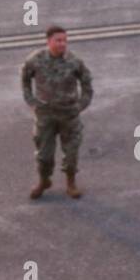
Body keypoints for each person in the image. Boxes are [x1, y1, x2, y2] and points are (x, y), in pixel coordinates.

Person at [21, 25, 93, 200]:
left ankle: (71, 183)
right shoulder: (35, 60)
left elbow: (87, 85)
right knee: (44, 155)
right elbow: (25, 81)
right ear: (49, 41)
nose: (62, 44)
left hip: (69, 114)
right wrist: (31, 102)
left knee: (71, 153)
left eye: (65, 40)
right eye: (58, 40)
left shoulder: (74, 61)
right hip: (45, 114)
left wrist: (80, 106)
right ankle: (44, 181)